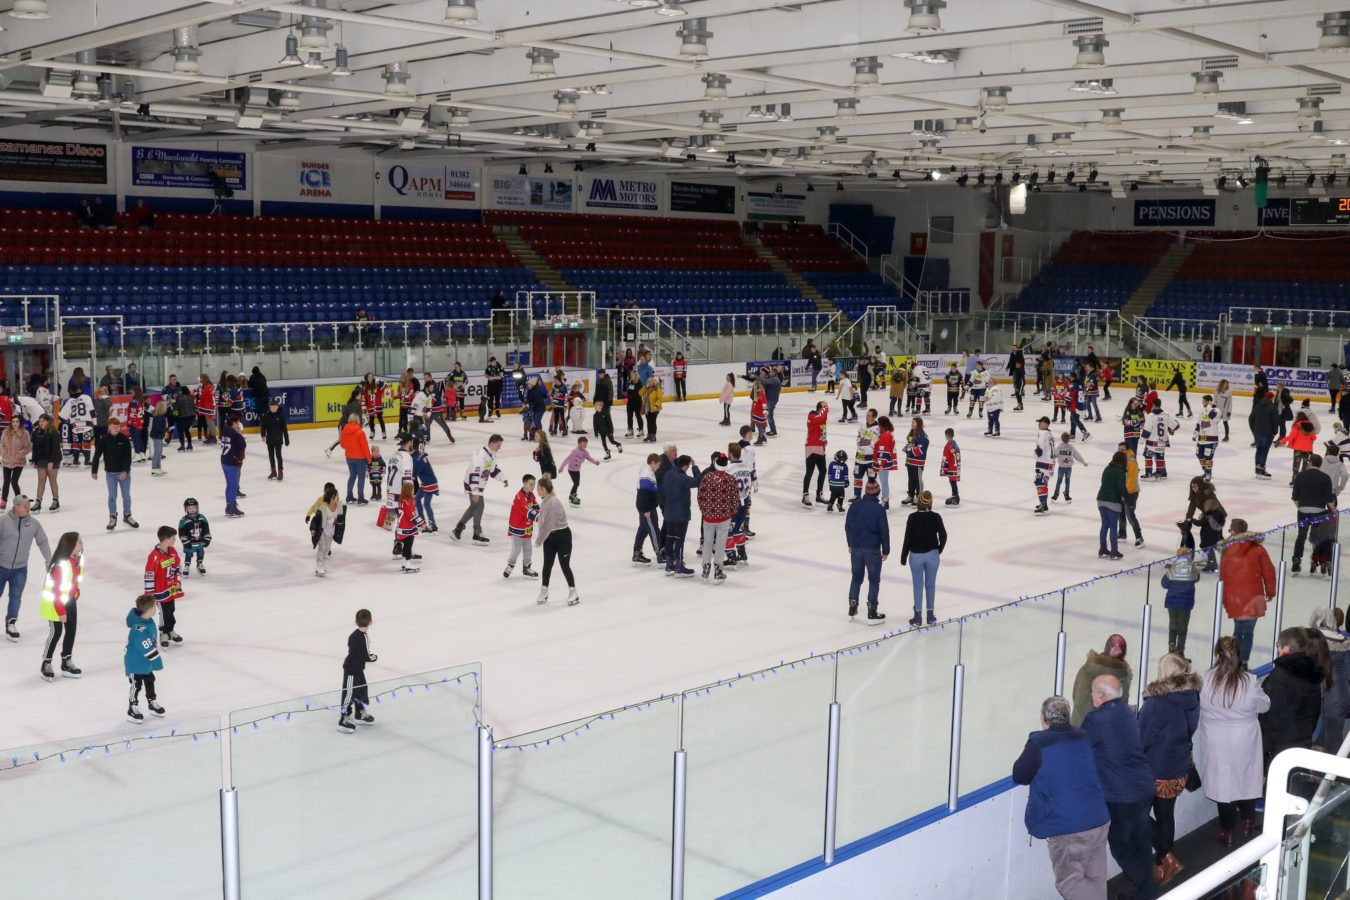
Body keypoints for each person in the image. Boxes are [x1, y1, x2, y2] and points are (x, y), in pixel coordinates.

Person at [1011, 695, 1111, 900]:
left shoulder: (1039, 744)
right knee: (1096, 878)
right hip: (1098, 818)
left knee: (1069, 882)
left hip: (1068, 826)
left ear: (1043, 719)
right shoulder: (1085, 737)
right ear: (1068, 717)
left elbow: (1020, 775)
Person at [1080, 674, 1160, 900]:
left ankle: (1149, 888)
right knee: (1141, 842)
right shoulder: (1127, 711)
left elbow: (1081, 747)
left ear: (1102, 695)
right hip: (1143, 787)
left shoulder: (1095, 720)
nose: (1092, 696)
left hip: (1121, 795)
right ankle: (1144, 892)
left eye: (1093, 692)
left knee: (1120, 845)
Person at [1195, 636, 1270, 845]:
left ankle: (1227, 830)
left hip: (1215, 740)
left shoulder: (1205, 679)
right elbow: (1264, 705)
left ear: (1217, 656)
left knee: (1221, 785)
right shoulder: (1249, 681)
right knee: (1245, 779)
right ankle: (1248, 822)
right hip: (1244, 739)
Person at [1136, 653, 1201, 887]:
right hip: (1179, 767)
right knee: (1165, 816)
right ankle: (1165, 860)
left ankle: (1167, 857)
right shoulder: (1192, 697)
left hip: (1155, 770)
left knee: (1136, 815)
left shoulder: (1156, 705)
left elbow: (1141, 740)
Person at [1260, 627, 1329, 764]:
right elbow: (1315, 711)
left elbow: (1272, 715)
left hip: (1279, 747)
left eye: (1279, 645)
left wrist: (1266, 750)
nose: (1278, 649)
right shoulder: (1313, 672)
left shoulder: (1280, 674)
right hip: (1302, 741)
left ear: (1287, 648)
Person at [1219, 519, 1276, 666]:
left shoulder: (1227, 551)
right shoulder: (1258, 549)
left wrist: (1224, 598)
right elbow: (1268, 571)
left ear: (1233, 531)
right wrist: (1270, 591)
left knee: (1238, 631)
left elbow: (1223, 577)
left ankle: (1234, 660)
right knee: (1248, 632)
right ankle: (1243, 661)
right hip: (1253, 597)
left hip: (1235, 598)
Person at [0, 495, 50, 643]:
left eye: (28, 504)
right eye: (24, 505)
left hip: (20, 569)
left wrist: (49, 559)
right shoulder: (3, 521)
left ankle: (11, 624)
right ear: (16, 506)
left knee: (16, 598)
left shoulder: (33, 523)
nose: (28, 507)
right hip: (1, 566)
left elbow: (42, 540)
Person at [37, 531, 83, 682]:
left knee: (71, 630)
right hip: (54, 603)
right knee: (56, 632)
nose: (82, 544)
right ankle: (46, 662)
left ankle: (66, 661)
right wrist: (61, 611)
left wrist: (76, 592)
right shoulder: (60, 566)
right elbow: (56, 591)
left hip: (69, 600)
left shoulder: (78, 559)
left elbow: (75, 579)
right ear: (71, 545)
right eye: (79, 542)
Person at [845, 475, 890, 625]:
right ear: (877, 493)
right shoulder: (879, 509)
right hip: (872, 549)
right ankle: (872, 610)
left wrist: (850, 543)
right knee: (874, 580)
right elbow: (884, 530)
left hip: (857, 548)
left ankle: (853, 602)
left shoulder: (855, 505)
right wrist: (886, 550)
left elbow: (848, 526)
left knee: (856, 577)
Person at [899, 489, 946, 626]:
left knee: (918, 586)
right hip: (932, 555)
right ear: (930, 503)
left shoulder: (912, 518)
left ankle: (918, 617)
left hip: (916, 557)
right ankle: (930, 616)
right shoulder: (936, 517)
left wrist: (903, 556)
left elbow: (907, 539)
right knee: (930, 585)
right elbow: (944, 535)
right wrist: (938, 549)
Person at [533, 476, 579, 606]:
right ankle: (544, 590)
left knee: (564, 565)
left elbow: (548, 524)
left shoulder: (553, 503)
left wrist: (539, 540)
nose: (537, 490)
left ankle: (573, 591)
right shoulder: (546, 500)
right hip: (550, 537)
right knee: (547, 564)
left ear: (543, 489)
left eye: (538, 488)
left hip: (562, 536)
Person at [453, 435, 507, 545]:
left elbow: (493, 470)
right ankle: (476, 534)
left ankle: (457, 530)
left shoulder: (491, 454)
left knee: (474, 507)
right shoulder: (481, 454)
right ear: (492, 442)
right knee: (479, 506)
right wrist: (475, 490)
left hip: (479, 484)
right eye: (498, 445)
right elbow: (475, 471)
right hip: (473, 484)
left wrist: (503, 478)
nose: (499, 448)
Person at [697, 453, 739, 585]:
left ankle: (705, 568)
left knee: (708, 543)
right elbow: (735, 500)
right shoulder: (731, 479)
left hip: (708, 517)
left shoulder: (706, 477)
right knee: (720, 545)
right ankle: (718, 570)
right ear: (726, 465)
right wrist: (731, 514)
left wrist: (704, 511)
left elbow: (700, 496)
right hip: (724, 518)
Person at [124, 594, 165, 724]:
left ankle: (152, 702)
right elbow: (147, 649)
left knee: (150, 680)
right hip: (135, 662)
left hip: (145, 661)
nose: (156, 608)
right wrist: (157, 662)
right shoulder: (138, 630)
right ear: (150, 609)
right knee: (136, 685)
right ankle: (133, 707)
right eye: (155, 606)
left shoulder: (148, 620)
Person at [91, 417, 137, 531]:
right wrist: (94, 471)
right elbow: (97, 455)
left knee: (126, 496)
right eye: (113, 427)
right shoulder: (104, 440)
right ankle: (112, 516)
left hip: (124, 474)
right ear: (109, 427)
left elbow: (128, 457)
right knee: (112, 497)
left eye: (118, 427)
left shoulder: (124, 439)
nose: (116, 429)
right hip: (110, 474)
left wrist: (125, 471)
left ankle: (127, 515)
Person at [1291, 455, 1334, 576]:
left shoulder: (1301, 475)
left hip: (1303, 511)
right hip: (1319, 512)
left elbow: (1295, 496)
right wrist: (1333, 511)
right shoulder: (1325, 478)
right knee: (1318, 537)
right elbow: (1329, 499)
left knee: (1301, 536)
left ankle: (1296, 559)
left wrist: (1301, 508)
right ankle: (1317, 561)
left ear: (1310, 463)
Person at [337, 608, 378, 734]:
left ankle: (360, 713)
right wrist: (374, 657)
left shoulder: (353, 635)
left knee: (362, 689)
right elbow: (366, 655)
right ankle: (344, 719)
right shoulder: (364, 638)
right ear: (371, 622)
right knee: (349, 693)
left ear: (356, 622)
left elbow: (354, 649)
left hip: (358, 668)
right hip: (351, 670)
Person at [144, 525, 184, 647]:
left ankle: (170, 630)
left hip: (171, 589)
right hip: (160, 592)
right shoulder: (154, 557)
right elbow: (149, 576)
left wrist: (178, 581)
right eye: (173, 538)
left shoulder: (172, 551)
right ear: (166, 540)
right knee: (164, 612)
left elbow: (177, 567)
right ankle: (163, 633)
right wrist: (150, 595)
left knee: (171, 610)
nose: (174, 540)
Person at [661, 455, 700, 577]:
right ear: (685, 465)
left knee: (669, 538)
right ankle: (679, 566)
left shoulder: (668, 474)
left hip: (668, 512)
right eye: (688, 466)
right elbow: (698, 481)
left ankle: (669, 565)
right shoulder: (682, 477)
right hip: (680, 514)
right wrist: (695, 467)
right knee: (679, 539)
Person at [1161, 542, 1200, 657]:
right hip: (1185, 604)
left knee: (1173, 626)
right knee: (1183, 628)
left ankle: (1171, 648)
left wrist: (1170, 570)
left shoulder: (1173, 569)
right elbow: (1197, 578)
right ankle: (1181, 651)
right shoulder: (1192, 569)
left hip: (1172, 603)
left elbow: (1164, 584)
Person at [504, 475, 540, 580]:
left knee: (528, 548)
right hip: (517, 528)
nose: (533, 486)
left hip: (527, 527)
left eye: (534, 484)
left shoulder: (531, 495)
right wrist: (541, 518)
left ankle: (526, 568)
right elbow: (529, 512)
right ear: (524, 484)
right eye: (531, 484)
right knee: (516, 549)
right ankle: (510, 565)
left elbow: (536, 506)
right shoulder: (520, 497)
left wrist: (544, 512)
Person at [307, 484, 346, 578]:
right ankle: (319, 565)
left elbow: (341, 520)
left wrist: (339, 528)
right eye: (336, 496)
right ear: (331, 497)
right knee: (322, 547)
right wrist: (312, 528)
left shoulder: (340, 507)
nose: (338, 497)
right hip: (322, 531)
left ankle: (323, 563)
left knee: (327, 549)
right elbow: (315, 519)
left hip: (331, 532)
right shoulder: (323, 508)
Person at [1095, 451, 1128, 560]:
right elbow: (1121, 488)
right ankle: (1114, 551)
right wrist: (1127, 498)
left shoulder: (1107, 468)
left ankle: (1102, 549)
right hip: (1113, 501)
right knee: (1113, 526)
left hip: (1101, 500)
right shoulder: (1120, 472)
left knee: (1104, 525)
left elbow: (1103, 482)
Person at [634, 453, 663, 566]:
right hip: (647, 508)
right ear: (652, 463)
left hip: (647, 506)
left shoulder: (648, 471)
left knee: (643, 529)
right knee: (653, 529)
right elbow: (643, 493)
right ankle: (659, 554)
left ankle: (637, 553)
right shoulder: (646, 473)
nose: (659, 467)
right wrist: (646, 509)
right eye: (658, 465)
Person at [802, 400, 830, 507]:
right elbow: (821, 418)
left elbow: (822, 429)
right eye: (824, 407)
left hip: (820, 447)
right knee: (810, 471)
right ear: (820, 408)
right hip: (812, 448)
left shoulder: (821, 418)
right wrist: (825, 408)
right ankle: (805, 495)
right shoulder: (812, 415)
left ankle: (819, 495)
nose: (826, 408)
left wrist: (824, 440)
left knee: (823, 470)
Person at [339, 415, 371, 505]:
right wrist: (369, 458)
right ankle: (360, 497)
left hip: (349, 457)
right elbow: (365, 447)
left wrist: (349, 447)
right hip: (360, 458)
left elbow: (342, 444)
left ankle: (349, 496)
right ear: (358, 421)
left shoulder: (344, 431)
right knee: (361, 477)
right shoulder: (360, 432)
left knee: (352, 475)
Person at [0, 416, 30, 510]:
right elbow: (2, 444)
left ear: (20, 423)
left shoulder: (25, 433)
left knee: (14, 481)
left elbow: (28, 447)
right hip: (7, 461)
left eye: (17, 421)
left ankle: (19, 502)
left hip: (18, 461)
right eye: (13, 421)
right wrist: (5, 454)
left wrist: (20, 454)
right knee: (6, 482)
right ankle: (3, 501)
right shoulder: (6, 432)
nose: (15, 423)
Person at [1249, 389, 1279, 479]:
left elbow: (1250, 419)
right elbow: (1275, 421)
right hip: (1268, 433)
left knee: (1259, 450)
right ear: (1271, 398)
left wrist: (1253, 430)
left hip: (1257, 433)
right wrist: (1275, 432)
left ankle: (1258, 468)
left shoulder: (1257, 406)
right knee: (1264, 451)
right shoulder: (1273, 408)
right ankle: (1261, 469)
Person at [219, 414, 246, 518]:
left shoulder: (225, 430)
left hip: (224, 461)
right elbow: (243, 445)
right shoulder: (235, 434)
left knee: (229, 484)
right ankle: (232, 508)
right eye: (238, 422)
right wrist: (240, 434)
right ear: (234, 423)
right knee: (233, 486)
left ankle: (229, 506)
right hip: (232, 462)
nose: (239, 424)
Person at [177, 498, 211, 578]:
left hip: (200, 541)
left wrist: (207, 538)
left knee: (201, 553)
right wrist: (185, 542)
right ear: (186, 509)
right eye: (189, 508)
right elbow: (181, 532)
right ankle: (187, 565)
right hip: (189, 543)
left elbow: (206, 529)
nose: (192, 509)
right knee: (188, 554)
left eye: (194, 507)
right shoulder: (183, 520)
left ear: (197, 507)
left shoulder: (202, 518)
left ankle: (199, 564)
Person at [1051, 431, 1087, 503]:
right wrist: (1083, 462)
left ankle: (1056, 493)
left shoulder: (1059, 447)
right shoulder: (1071, 447)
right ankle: (1066, 494)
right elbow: (1077, 456)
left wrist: (1052, 460)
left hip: (1062, 467)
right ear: (1069, 439)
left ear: (1061, 439)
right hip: (1068, 468)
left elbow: (1054, 455)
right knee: (1067, 481)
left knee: (1059, 481)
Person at [873, 416, 897, 508]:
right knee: (884, 481)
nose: (878, 426)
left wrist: (881, 464)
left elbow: (885, 450)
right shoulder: (887, 434)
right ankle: (885, 500)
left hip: (883, 463)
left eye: (879, 424)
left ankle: (885, 501)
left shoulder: (886, 435)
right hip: (883, 461)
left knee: (884, 482)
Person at [1034, 416, 1055, 516]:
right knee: (1044, 482)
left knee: (1039, 482)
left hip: (1043, 462)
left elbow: (1040, 450)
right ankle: (1044, 504)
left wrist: (1036, 453)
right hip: (1050, 463)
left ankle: (1043, 505)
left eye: (1040, 422)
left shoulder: (1042, 433)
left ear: (1046, 424)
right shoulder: (1050, 434)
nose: (1039, 424)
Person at [361, 373, 388, 441]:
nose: (370, 377)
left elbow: (385, 385)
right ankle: (372, 431)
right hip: (370, 406)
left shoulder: (377, 384)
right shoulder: (365, 387)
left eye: (371, 376)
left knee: (380, 418)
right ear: (367, 378)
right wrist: (363, 406)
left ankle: (383, 432)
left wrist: (378, 380)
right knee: (371, 420)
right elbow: (364, 397)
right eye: (369, 376)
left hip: (378, 404)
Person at [148, 401, 168, 477]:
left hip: (158, 435)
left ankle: (158, 467)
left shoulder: (161, 415)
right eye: (165, 406)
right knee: (157, 452)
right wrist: (165, 429)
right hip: (157, 436)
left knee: (159, 452)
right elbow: (158, 428)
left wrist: (165, 430)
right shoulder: (159, 416)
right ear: (162, 407)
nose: (166, 407)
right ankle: (154, 468)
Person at [640, 375, 663, 443]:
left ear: (653, 382)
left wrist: (656, 405)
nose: (649, 383)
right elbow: (640, 393)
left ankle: (653, 436)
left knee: (652, 422)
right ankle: (649, 435)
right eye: (648, 381)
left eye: (650, 381)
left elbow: (660, 398)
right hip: (647, 408)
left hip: (654, 408)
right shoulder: (646, 389)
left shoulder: (657, 388)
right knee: (648, 422)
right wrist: (645, 387)